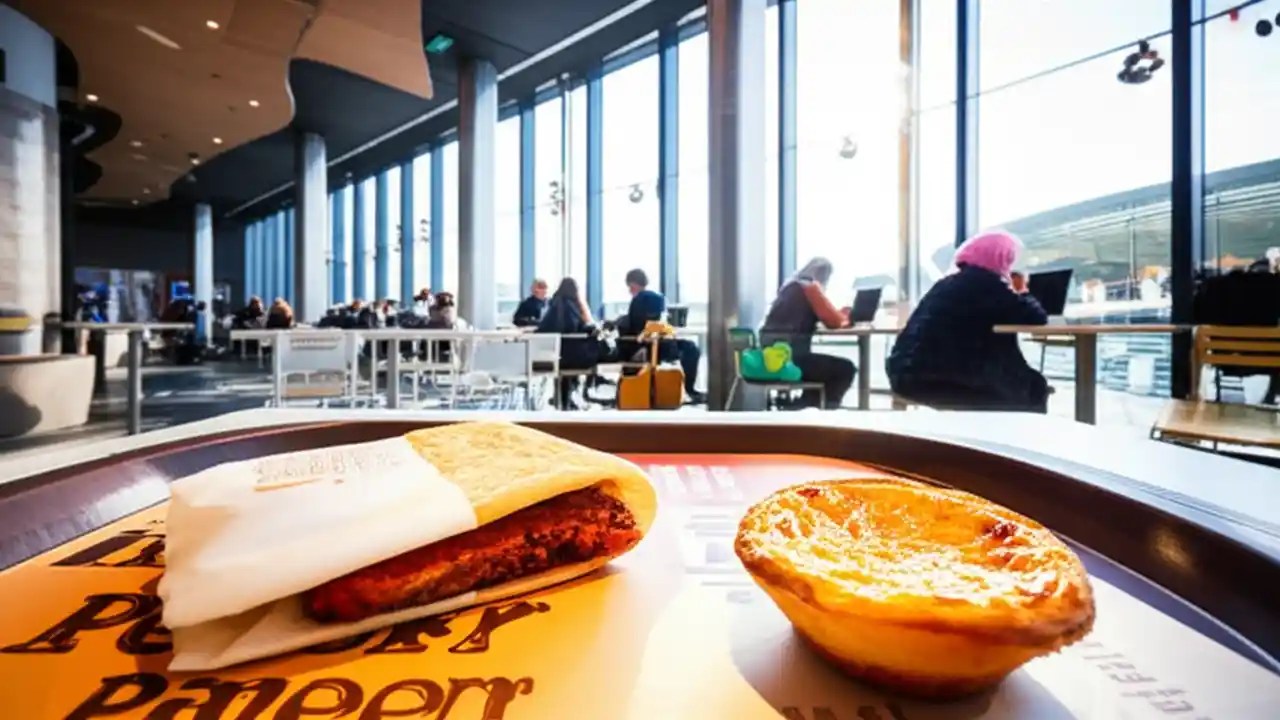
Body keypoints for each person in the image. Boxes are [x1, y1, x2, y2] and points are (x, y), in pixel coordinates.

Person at [887, 230, 1050, 412]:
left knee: (1019, 382)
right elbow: (1036, 318)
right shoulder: (989, 286)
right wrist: (1022, 290)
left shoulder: (945, 284)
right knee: (1035, 387)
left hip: (903, 375)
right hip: (944, 380)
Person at [759, 257, 856, 409]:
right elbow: (833, 322)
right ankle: (820, 410)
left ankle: (806, 405)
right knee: (845, 369)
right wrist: (846, 317)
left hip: (770, 357)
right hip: (790, 359)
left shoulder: (789, 288)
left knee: (823, 368)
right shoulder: (810, 287)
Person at [613, 269, 704, 403]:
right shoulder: (659, 299)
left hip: (646, 347)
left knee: (685, 348)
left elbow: (635, 328)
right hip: (662, 344)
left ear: (633, 285)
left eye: (630, 287)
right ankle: (690, 389)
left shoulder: (638, 301)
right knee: (691, 348)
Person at [536, 278, 603, 409]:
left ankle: (564, 401)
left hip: (556, 354)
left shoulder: (554, 305)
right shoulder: (573, 307)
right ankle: (575, 396)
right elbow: (575, 327)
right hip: (573, 355)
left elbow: (543, 329)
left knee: (566, 366)